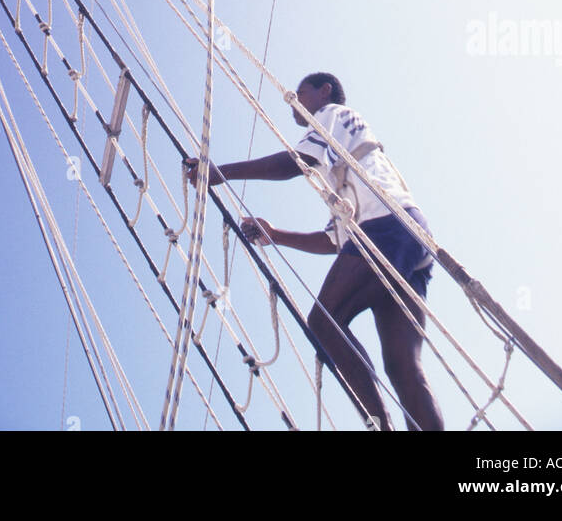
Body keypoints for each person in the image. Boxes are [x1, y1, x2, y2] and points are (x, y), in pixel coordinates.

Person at [184, 72, 444, 431]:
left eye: (301, 91)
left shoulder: (331, 114)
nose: (294, 98)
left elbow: (296, 162)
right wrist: (275, 235)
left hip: (386, 225)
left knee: (324, 320)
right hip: (407, 234)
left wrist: (221, 172)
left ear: (324, 91)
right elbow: (334, 242)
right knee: (402, 367)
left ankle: (381, 427)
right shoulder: (346, 170)